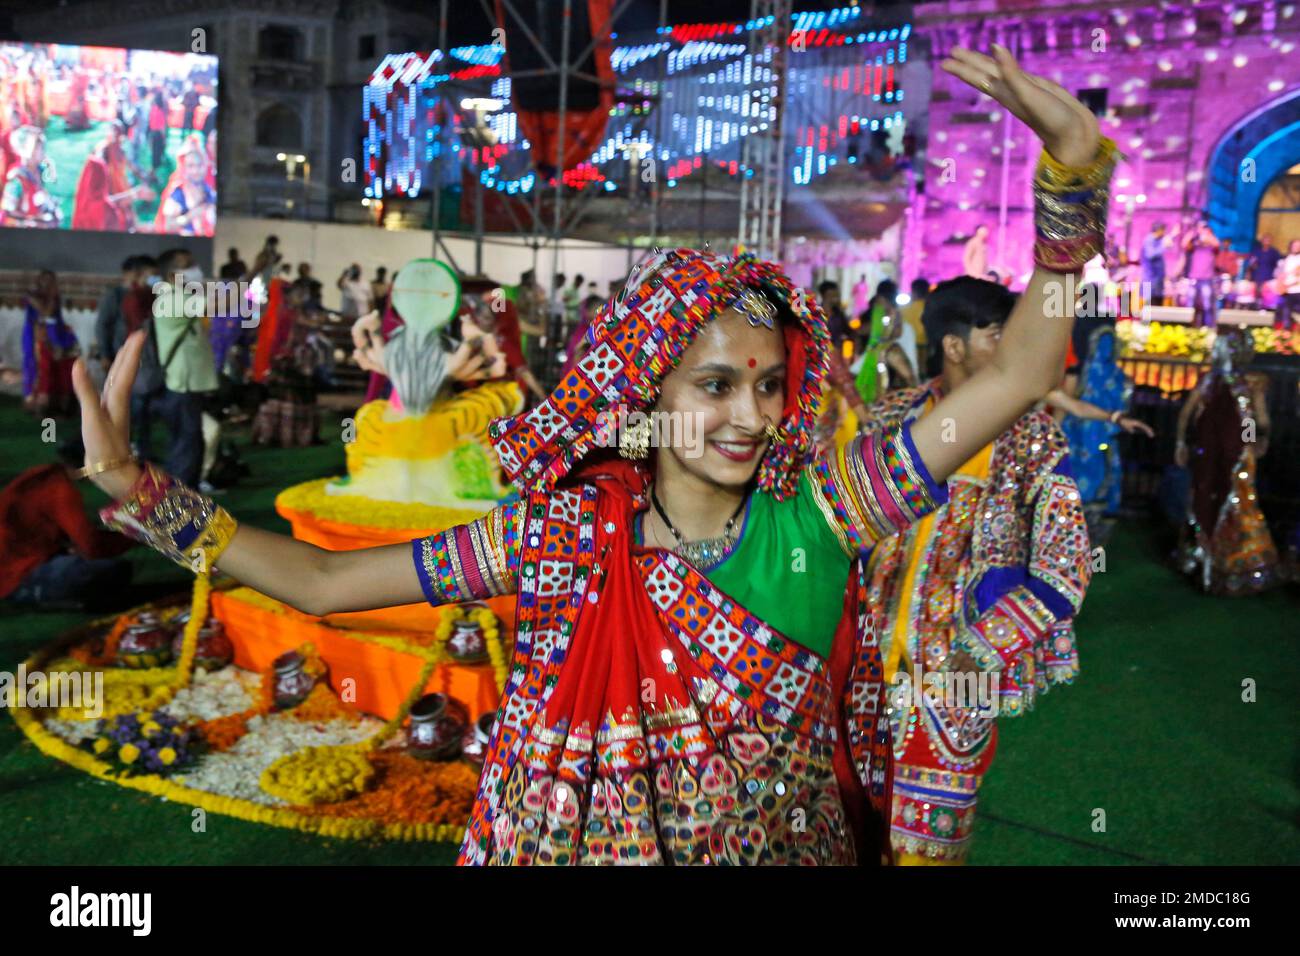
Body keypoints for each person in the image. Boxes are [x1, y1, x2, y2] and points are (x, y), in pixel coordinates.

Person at [73, 44, 1113, 866]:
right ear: (644, 392)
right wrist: (139, 490)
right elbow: (325, 579)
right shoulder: (566, 532)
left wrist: (1069, 189)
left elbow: (1021, 371)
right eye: (713, 384)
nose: (749, 413)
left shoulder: (821, 512)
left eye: (767, 383)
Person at [860, 277, 1092, 864]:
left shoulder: (1033, 436)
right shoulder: (890, 418)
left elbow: (1065, 568)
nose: (1019, 347)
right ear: (954, 346)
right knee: (848, 835)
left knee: (927, 848)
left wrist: (985, 648)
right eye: (999, 334)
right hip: (860, 674)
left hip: (958, 675)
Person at [1175, 329, 1279, 594]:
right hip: (1210, 455)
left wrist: (1254, 442)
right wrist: (1181, 442)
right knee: (1207, 499)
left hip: (1234, 457)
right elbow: (1188, 413)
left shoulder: (1249, 383)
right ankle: (1205, 561)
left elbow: (1254, 419)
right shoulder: (1211, 382)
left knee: (1233, 502)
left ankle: (1228, 565)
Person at [0, 438, 133, 611]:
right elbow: (92, 546)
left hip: (17, 562)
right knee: (114, 570)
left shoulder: (43, 476)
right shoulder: (62, 492)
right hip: (18, 576)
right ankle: (42, 595)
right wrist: (134, 536)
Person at [1057, 319, 1154, 518]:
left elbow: (1076, 407)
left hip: (1093, 431)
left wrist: (1116, 418)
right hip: (1080, 433)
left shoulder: (1097, 373)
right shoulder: (1084, 373)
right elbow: (1071, 406)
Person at [152, 248, 219, 486]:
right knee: (187, 450)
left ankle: (179, 503)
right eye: (187, 265)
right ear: (172, 276)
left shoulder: (179, 297)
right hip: (182, 384)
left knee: (189, 445)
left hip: (184, 384)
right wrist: (252, 274)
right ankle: (178, 508)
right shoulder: (173, 299)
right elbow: (220, 303)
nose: (195, 269)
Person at [71, 119, 153, 232]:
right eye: (112, 130)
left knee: (127, 214)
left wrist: (143, 176)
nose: (114, 134)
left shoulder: (121, 151)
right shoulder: (104, 149)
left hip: (121, 186)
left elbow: (132, 167)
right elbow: (96, 163)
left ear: (121, 136)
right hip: (107, 187)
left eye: (117, 132)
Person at [21, 269, 79, 416]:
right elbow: (45, 312)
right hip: (36, 336)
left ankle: (60, 406)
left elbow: (50, 315)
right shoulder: (32, 296)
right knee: (36, 368)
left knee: (61, 370)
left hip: (56, 335)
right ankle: (35, 404)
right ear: (39, 281)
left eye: (51, 280)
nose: (48, 283)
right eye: (44, 280)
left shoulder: (55, 297)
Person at [1, 125, 60, 228]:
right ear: (25, 149)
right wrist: (32, 220)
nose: (42, 151)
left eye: (42, 147)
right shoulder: (17, 179)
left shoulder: (40, 173)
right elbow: (7, 213)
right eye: (37, 147)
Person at [160, 136, 215, 237]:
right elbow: (168, 226)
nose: (196, 171)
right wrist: (190, 216)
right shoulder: (178, 193)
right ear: (184, 167)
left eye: (199, 165)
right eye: (191, 166)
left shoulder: (208, 190)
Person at [1184, 218, 1221, 328]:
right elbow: (1184, 244)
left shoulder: (1211, 245)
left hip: (1207, 279)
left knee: (1207, 305)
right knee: (1190, 305)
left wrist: (1207, 234)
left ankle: (1209, 326)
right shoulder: (1195, 243)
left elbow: (1217, 244)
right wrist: (1194, 232)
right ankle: (1188, 325)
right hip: (1194, 278)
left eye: (1205, 228)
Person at [1140, 222, 1170, 306]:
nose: (1164, 233)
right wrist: (1163, 246)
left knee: (1157, 307)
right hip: (1149, 280)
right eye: (1163, 231)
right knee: (1149, 309)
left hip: (1156, 282)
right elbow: (1150, 255)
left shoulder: (1157, 241)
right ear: (1159, 231)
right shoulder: (1149, 240)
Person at [1274, 238, 1300, 331]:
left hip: (1298, 290)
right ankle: (1285, 333)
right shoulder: (1285, 259)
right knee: (1285, 313)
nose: (1296, 247)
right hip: (1287, 291)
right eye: (1295, 245)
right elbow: (1279, 274)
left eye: (1298, 246)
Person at [817, 279, 850, 350]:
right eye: (834, 295)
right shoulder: (815, 313)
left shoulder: (839, 314)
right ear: (826, 295)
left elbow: (848, 332)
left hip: (836, 354)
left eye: (837, 295)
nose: (837, 298)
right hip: (820, 354)